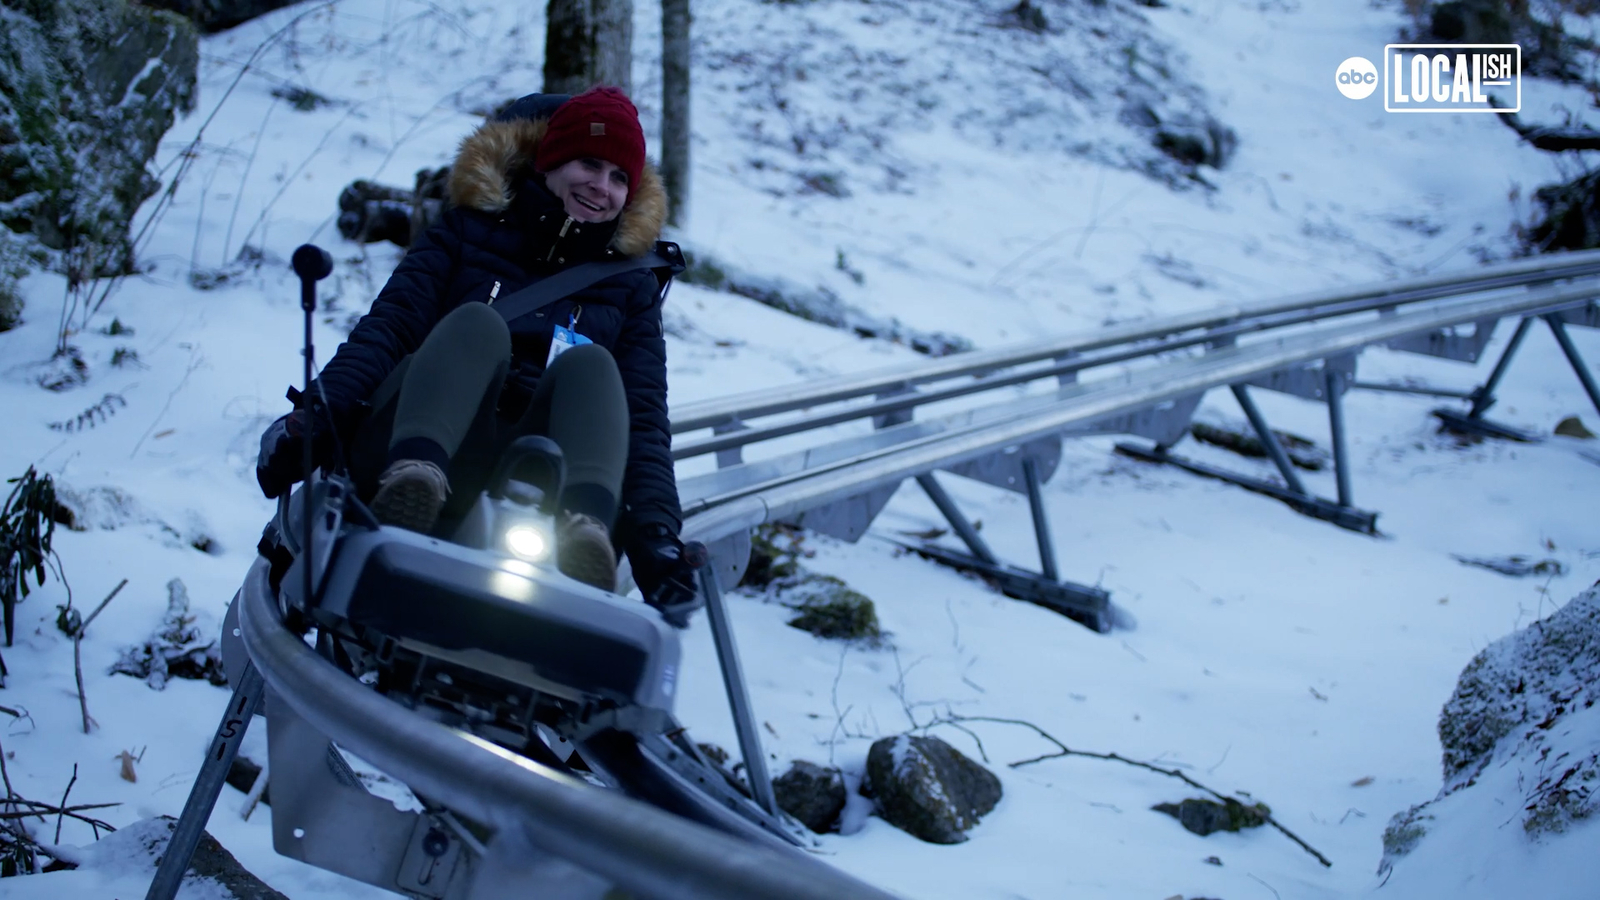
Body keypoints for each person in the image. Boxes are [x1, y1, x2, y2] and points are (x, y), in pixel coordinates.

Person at [255, 86, 698, 619]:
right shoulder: (467, 232)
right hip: (414, 436)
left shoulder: (631, 287)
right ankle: (412, 485)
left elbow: (645, 419)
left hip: (536, 483)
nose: (601, 187)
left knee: (594, 366)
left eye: (619, 177)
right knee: (477, 324)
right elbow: (389, 330)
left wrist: (656, 534)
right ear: (550, 159)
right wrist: (317, 414)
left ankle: (586, 534)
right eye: (589, 163)